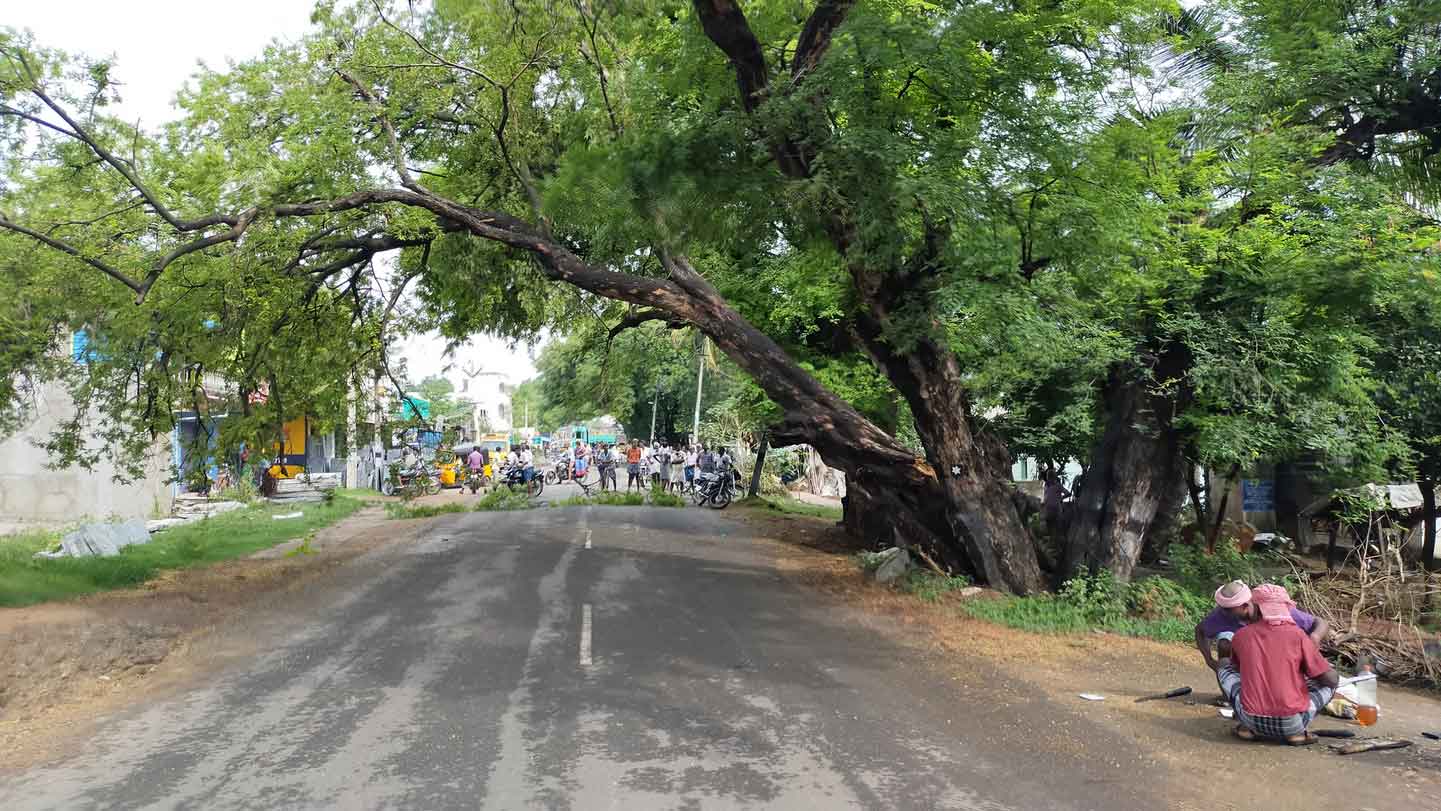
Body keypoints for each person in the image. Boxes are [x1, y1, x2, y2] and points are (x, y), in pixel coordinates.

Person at [1218, 584, 1339, 744]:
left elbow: (1239, 670)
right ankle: (1296, 735)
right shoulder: (1299, 635)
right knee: (1330, 682)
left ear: (1255, 607)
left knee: (1224, 666)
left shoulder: (1241, 635)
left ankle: (1246, 729)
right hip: (1291, 723)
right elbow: (1330, 680)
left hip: (1251, 719)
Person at [1195, 580, 1330, 672]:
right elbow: (1200, 630)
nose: (1223, 612)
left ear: (1245, 606)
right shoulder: (1225, 613)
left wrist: (1315, 637)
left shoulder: (1275, 611)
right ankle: (1229, 695)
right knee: (1224, 643)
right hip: (1244, 662)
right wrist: (1209, 660)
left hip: (1277, 661)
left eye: (1228, 609)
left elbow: (1321, 623)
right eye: (1223, 608)